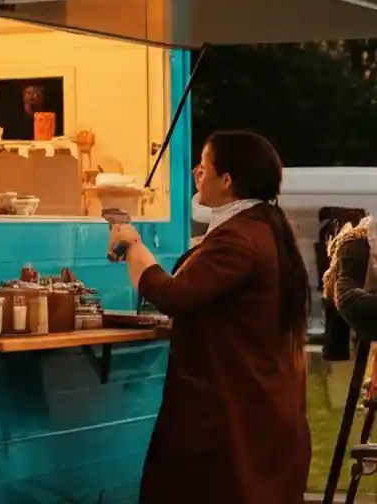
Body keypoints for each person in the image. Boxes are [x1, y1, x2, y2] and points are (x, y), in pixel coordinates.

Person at [107, 131, 310, 503]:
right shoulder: (259, 228)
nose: (197, 172)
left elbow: (174, 295)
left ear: (227, 180)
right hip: (255, 398)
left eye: (205, 165)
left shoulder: (239, 237)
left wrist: (133, 247)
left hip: (233, 405)